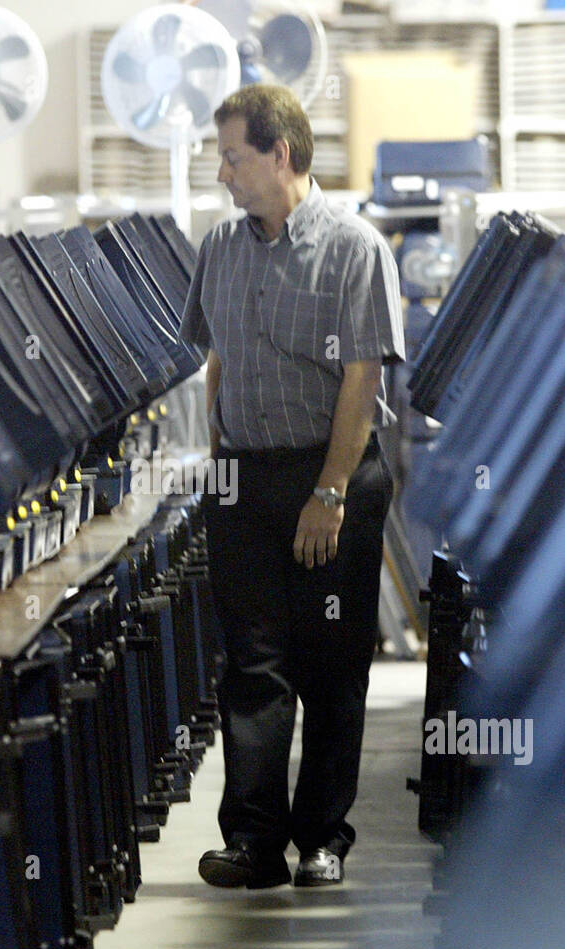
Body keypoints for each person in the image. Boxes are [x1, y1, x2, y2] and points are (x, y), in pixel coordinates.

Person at [180, 84, 403, 889]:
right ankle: (253, 841)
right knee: (253, 663)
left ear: (281, 155)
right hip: (245, 478)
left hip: (328, 473)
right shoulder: (220, 248)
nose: (222, 174)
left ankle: (322, 839)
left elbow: (361, 377)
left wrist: (332, 492)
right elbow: (214, 363)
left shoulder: (354, 249)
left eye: (233, 157)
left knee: (332, 662)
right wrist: (217, 463)